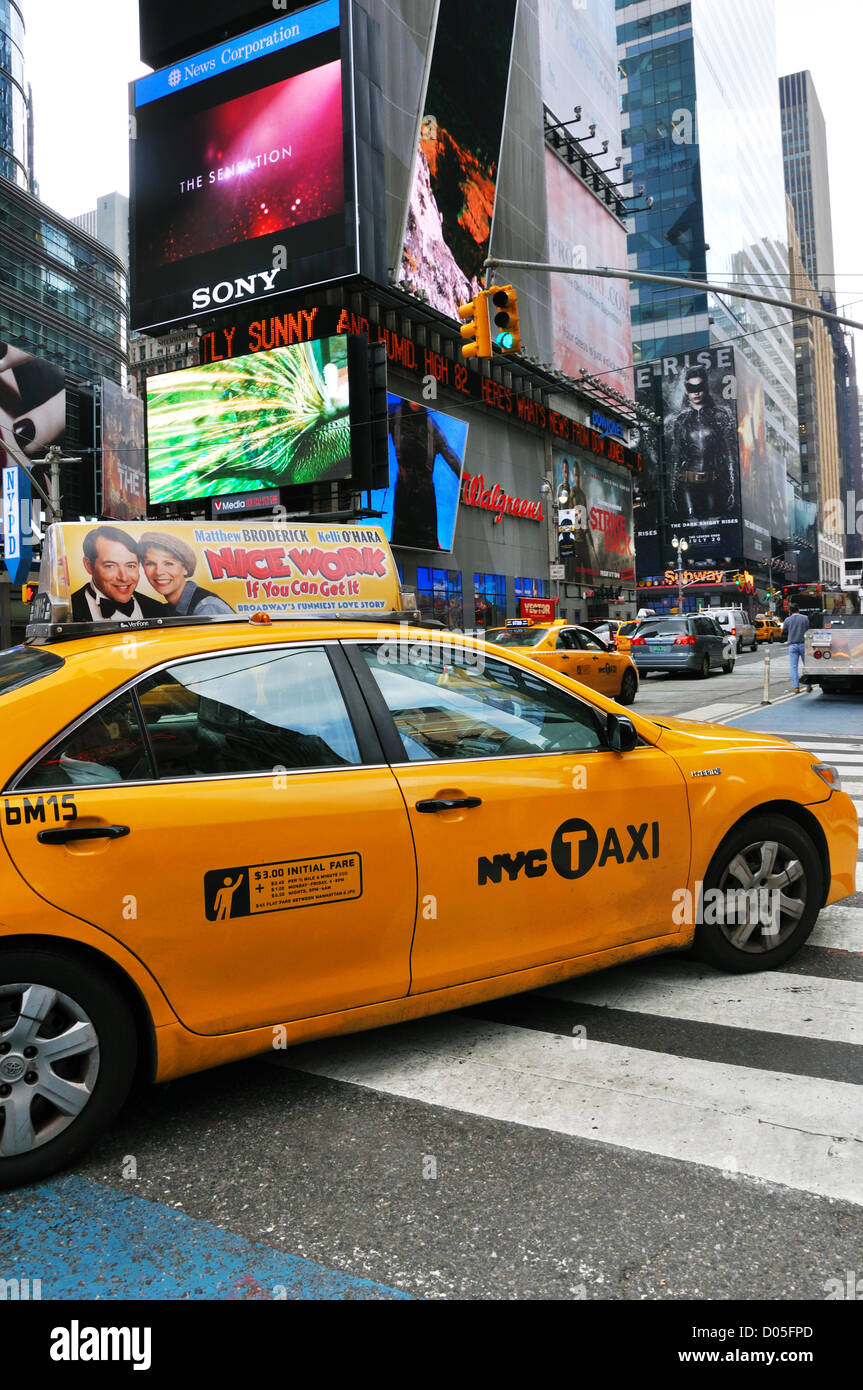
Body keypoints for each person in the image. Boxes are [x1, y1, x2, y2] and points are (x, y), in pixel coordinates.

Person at [390, 400, 462, 550]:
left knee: (428, 546)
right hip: (404, 493)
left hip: (425, 496)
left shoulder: (431, 427)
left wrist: (465, 482)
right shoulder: (395, 417)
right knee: (400, 544)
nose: (415, 402)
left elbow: (449, 454)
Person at [668, 367, 738, 521]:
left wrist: (732, 488)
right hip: (686, 485)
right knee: (688, 528)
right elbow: (675, 458)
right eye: (692, 389)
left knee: (714, 525)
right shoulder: (681, 421)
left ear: (705, 388)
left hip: (713, 483)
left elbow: (730, 454)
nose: (696, 393)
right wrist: (672, 492)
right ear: (686, 391)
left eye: (699, 388)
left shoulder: (720, 416)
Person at [71, 525, 165, 622]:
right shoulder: (67, 612)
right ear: (88, 565)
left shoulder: (158, 609)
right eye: (110, 566)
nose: (123, 577)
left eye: (130, 566)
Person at [139, 531, 234, 616]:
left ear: (185, 568)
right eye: (150, 563)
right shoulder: (170, 608)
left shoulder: (206, 608)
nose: (158, 572)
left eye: (169, 563)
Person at [782, 603, 809, 693]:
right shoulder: (805, 618)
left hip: (792, 645)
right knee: (807, 666)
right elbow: (809, 628)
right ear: (798, 609)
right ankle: (808, 686)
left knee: (794, 667)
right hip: (803, 644)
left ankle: (796, 687)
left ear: (790, 611)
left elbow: (784, 630)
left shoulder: (787, 620)